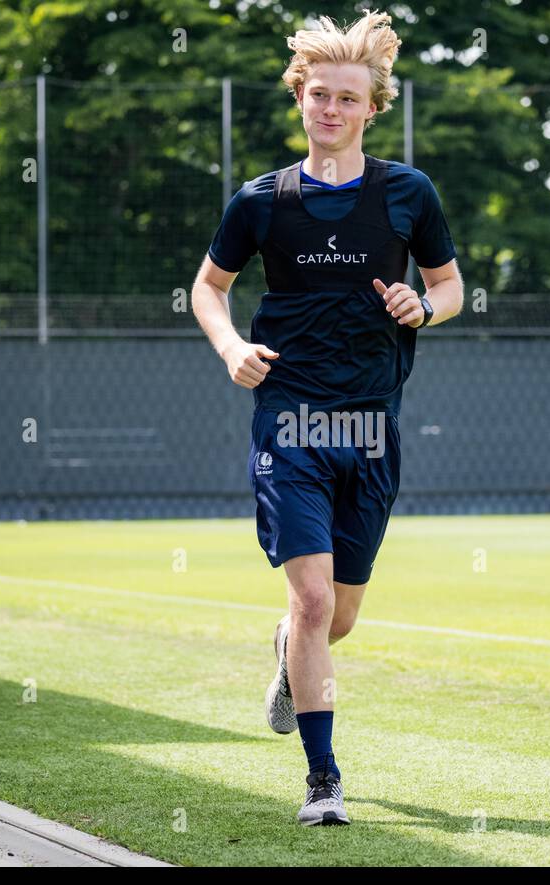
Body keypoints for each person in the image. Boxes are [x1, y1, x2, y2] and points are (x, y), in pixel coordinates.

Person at [190, 10, 462, 826]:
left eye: (348, 98)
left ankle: (287, 658)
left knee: (335, 617)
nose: (331, 110)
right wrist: (231, 345)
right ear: (300, 100)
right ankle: (323, 781)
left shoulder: (409, 194)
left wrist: (426, 305)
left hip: (371, 427)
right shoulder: (261, 201)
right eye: (318, 96)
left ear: (372, 107)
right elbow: (209, 288)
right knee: (311, 603)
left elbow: (450, 287)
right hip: (291, 421)